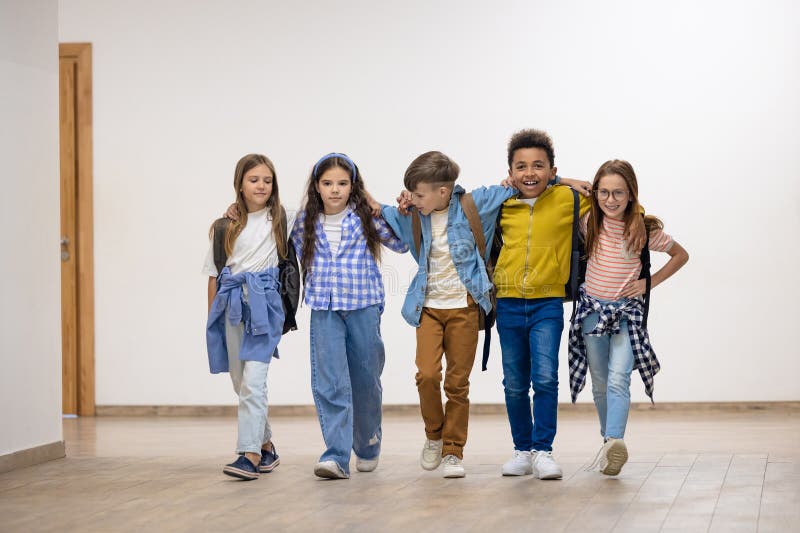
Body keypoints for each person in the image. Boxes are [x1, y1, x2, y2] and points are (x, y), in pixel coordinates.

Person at [496, 129, 646, 480]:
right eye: (521, 166)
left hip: (548, 302)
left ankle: (543, 451)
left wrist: (637, 213)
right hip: (507, 302)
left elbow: (610, 195)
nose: (529, 173)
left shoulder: (567, 199)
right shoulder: (500, 201)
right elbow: (465, 212)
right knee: (515, 382)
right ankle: (522, 449)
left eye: (538, 166)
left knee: (546, 378)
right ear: (510, 171)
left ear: (552, 169)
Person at [380, 151, 517, 478]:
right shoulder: (413, 213)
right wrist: (403, 200)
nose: (414, 199)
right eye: (411, 193)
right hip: (427, 309)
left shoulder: (475, 204)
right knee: (426, 375)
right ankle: (433, 436)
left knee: (457, 384)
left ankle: (453, 451)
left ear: (443, 191)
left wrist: (556, 180)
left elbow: (522, 186)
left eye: (420, 193)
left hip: (465, 309)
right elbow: (378, 210)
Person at [290, 152, 408, 479]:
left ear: (353, 186)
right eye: (327, 183)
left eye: (342, 183)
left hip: (364, 306)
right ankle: (336, 456)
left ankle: (368, 443)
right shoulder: (303, 222)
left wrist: (376, 205)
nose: (335, 190)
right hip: (324, 309)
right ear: (317, 186)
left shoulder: (366, 217)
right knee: (330, 382)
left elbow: (401, 244)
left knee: (366, 381)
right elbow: (279, 248)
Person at [568, 159, 689, 476]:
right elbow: (555, 188)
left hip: (626, 316)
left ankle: (615, 440)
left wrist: (649, 283)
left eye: (618, 193)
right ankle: (609, 444)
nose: (610, 200)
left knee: (619, 378)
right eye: (604, 192)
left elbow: (681, 255)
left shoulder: (645, 230)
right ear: (596, 193)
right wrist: (567, 178)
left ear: (631, 194)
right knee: (600, 383)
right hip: (592, 313)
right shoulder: (587, 223)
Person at [204, 153, 295, 480]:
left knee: (254, 381)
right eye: (254, 179)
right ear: (240, 185)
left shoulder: (282, 218)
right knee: (241, 382)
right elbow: (214, 274)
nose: (261, 186)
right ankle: (267, 445)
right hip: (230, 307)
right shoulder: (223, 227)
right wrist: (212, 317)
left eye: (267, 180)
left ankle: (250, 454)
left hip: (264, 307)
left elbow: (320, 212)